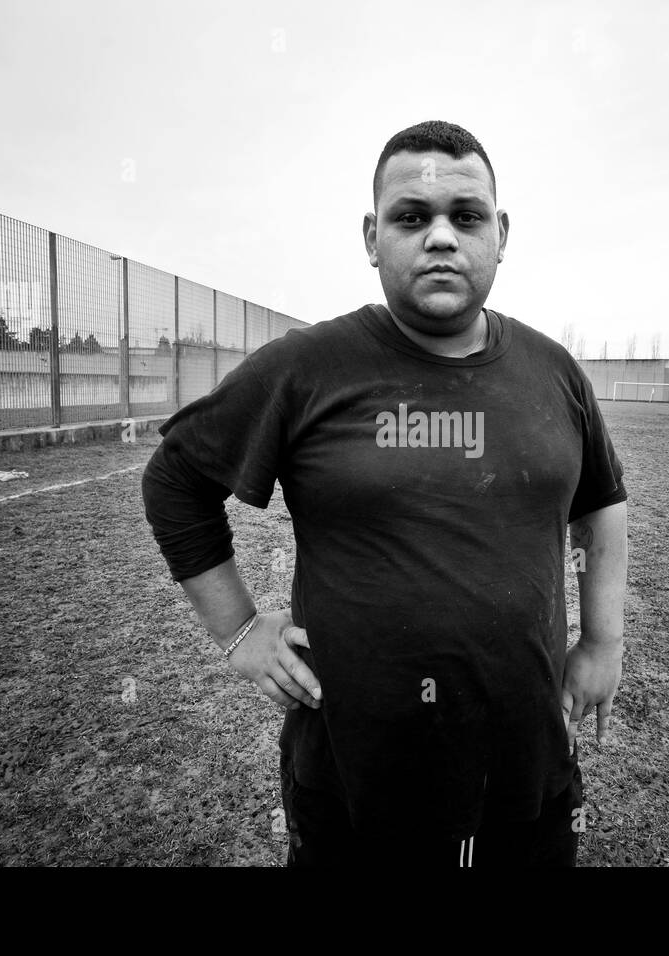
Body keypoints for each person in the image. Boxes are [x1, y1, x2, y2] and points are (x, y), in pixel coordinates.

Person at [141, 120, 629, 867]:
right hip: (354, 788)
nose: (441, 236)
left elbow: (599, 504)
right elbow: (176, 478)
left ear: (500, 233)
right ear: (373, 237)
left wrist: (602, 641)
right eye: (412, 217)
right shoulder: (307, 368)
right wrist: (239, 630)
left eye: (466, 216)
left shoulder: (554, 372)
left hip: (528, 772)